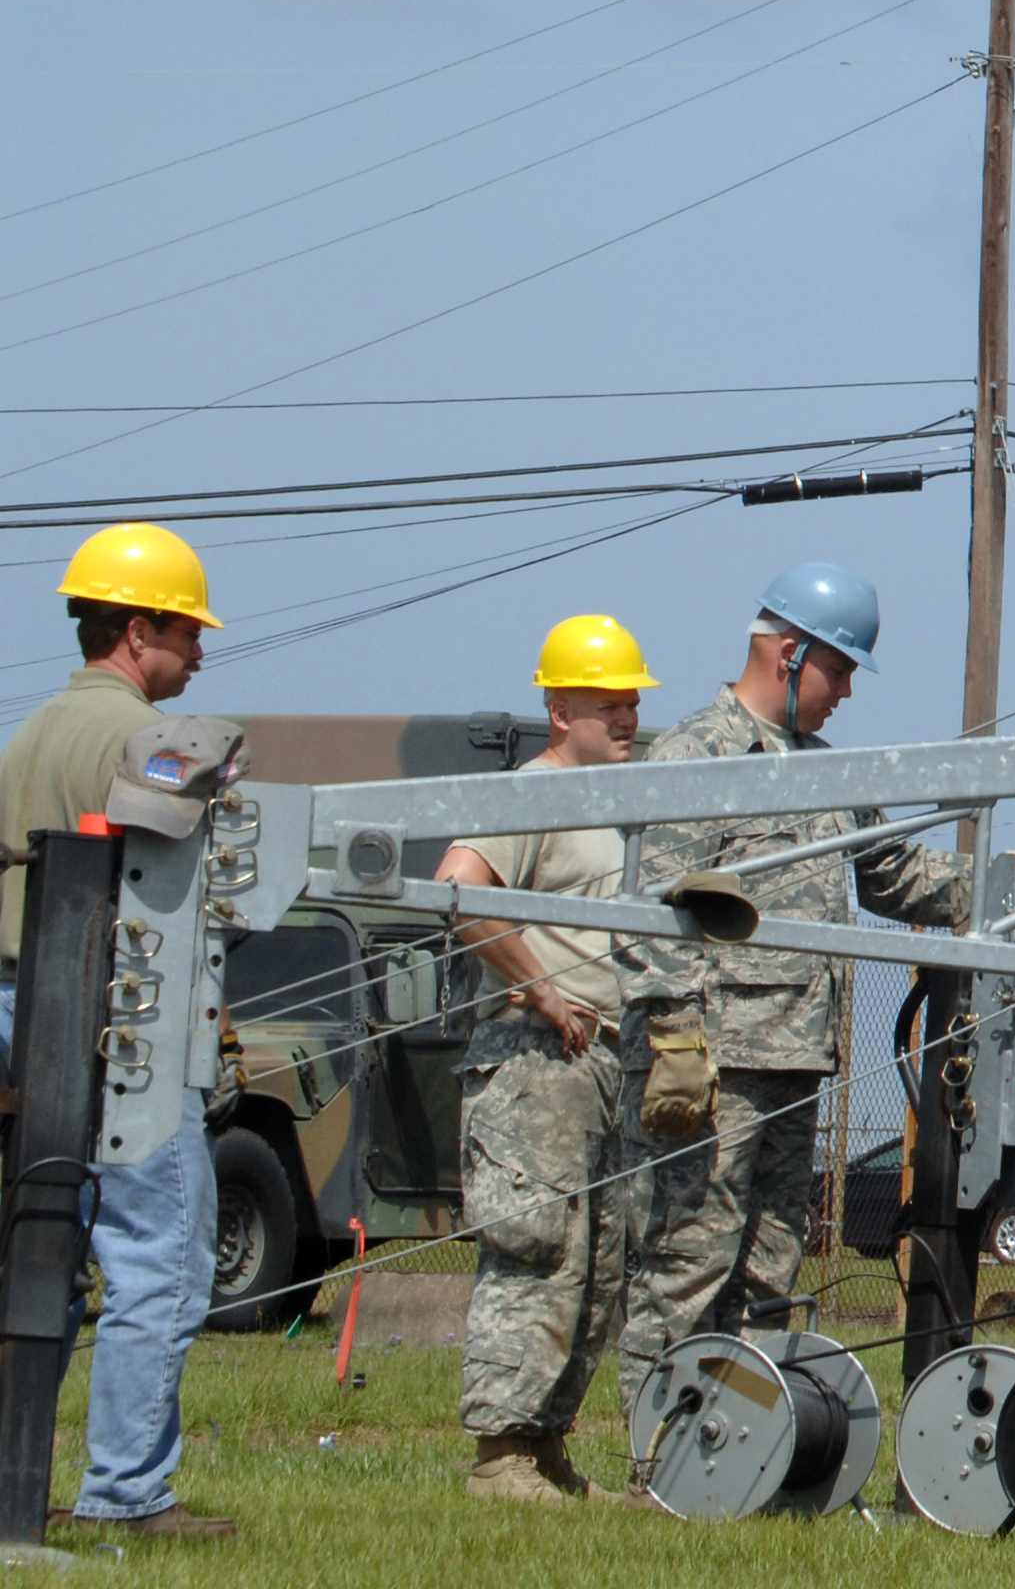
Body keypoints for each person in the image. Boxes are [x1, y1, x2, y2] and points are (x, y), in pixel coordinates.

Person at [615, 564, 1015, 1468]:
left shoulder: (829, 774)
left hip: (796, 1060)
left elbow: (898, 878)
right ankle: (657, 1460)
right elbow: (650, 912)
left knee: (768, 1264)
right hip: (713, 1065)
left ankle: (739, 1457)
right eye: (838, 671)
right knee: (689, 1261)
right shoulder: (695, 759)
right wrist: (675, 1038)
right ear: (789, 653)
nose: (842, 694)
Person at [0, 525, 240, 1539]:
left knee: (38, 1253)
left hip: (19, 1010)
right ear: (136, 628)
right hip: (117, 1023)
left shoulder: (32, 731)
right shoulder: (141, 741)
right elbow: (174, 877)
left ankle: (14, 1482)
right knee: (160, 1257)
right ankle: (128, 1494)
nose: (199, 653)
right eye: (187, 632)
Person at [440, 615, 654, 1505]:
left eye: (633, 702)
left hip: (601, 1060)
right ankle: (500, 1453)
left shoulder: (616, 804)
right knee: (537, 1248)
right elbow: (460, 891)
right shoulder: (535, 791)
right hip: (538, 1059)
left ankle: (548, 1445)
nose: (626, 716)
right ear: (559, 707)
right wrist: (540, 986)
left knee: (600, 1261)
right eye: (608, 704)